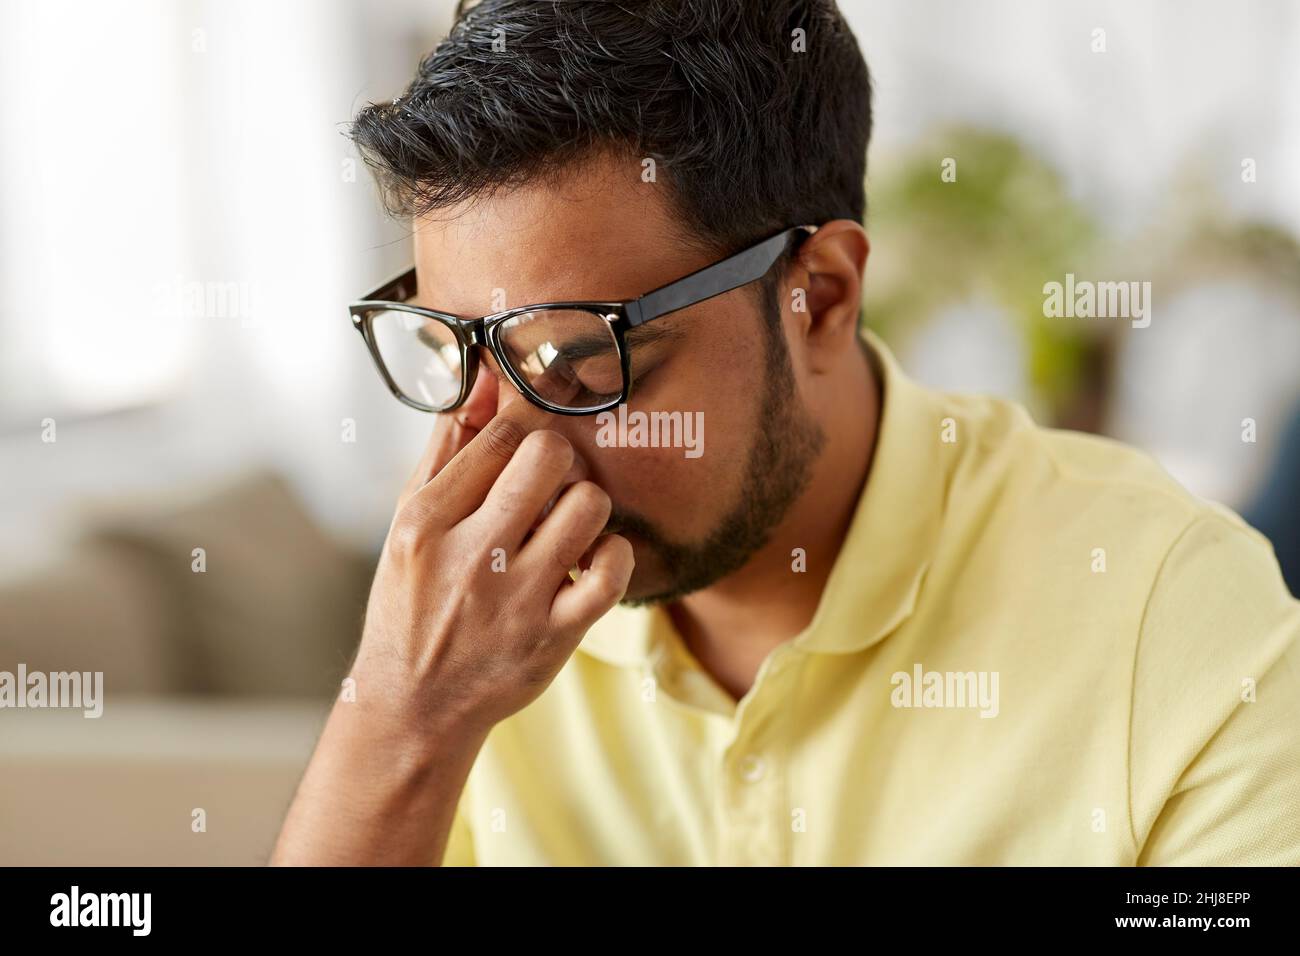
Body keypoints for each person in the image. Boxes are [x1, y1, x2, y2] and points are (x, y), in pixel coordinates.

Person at [271, 0, 1300, 865]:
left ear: (822, 295)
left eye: (582, 361)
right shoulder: (467, 637)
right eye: (454, 347)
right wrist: (399, 722)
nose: (506, 463)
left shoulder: (1170, 619)